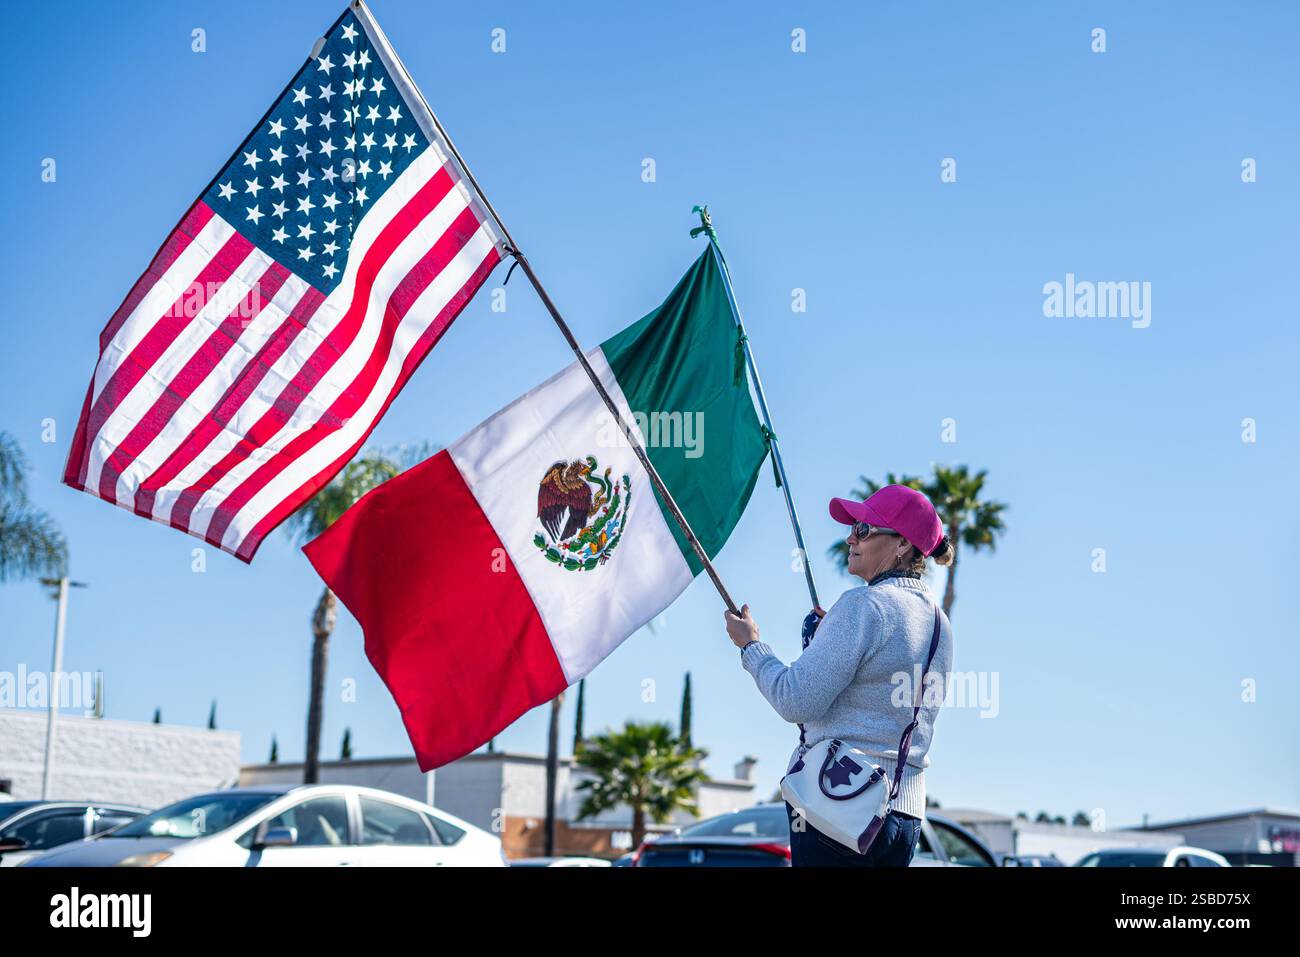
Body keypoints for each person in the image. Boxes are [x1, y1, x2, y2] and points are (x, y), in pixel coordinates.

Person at [724, 484, 955, 867]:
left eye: (864, 529)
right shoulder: (938, 623)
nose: (851, 537)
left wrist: (751, 647)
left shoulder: (864, 605)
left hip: (839, 805)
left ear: (901, 544)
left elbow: (794, 699)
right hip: (904, 817)